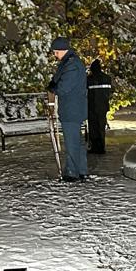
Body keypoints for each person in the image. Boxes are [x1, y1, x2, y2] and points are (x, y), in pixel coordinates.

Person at [47, 37, 88, 182]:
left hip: (71, 109)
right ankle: (81, 170)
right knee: (77, 141)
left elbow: (64, 87)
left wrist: (54, 87)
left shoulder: (71, 65)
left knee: (72, 141)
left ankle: (72, 172)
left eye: (56, 52)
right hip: (75, 108)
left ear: (62, 50)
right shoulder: (71, 63)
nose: (55, 55)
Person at [87, 59, 112, 154]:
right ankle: (102, 147)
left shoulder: (89, 79)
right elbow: (109, 93)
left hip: (92, 106)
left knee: (93, 128)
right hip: (103, 107)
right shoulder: (107, 78)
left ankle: (95, 147)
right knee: (101, 127)